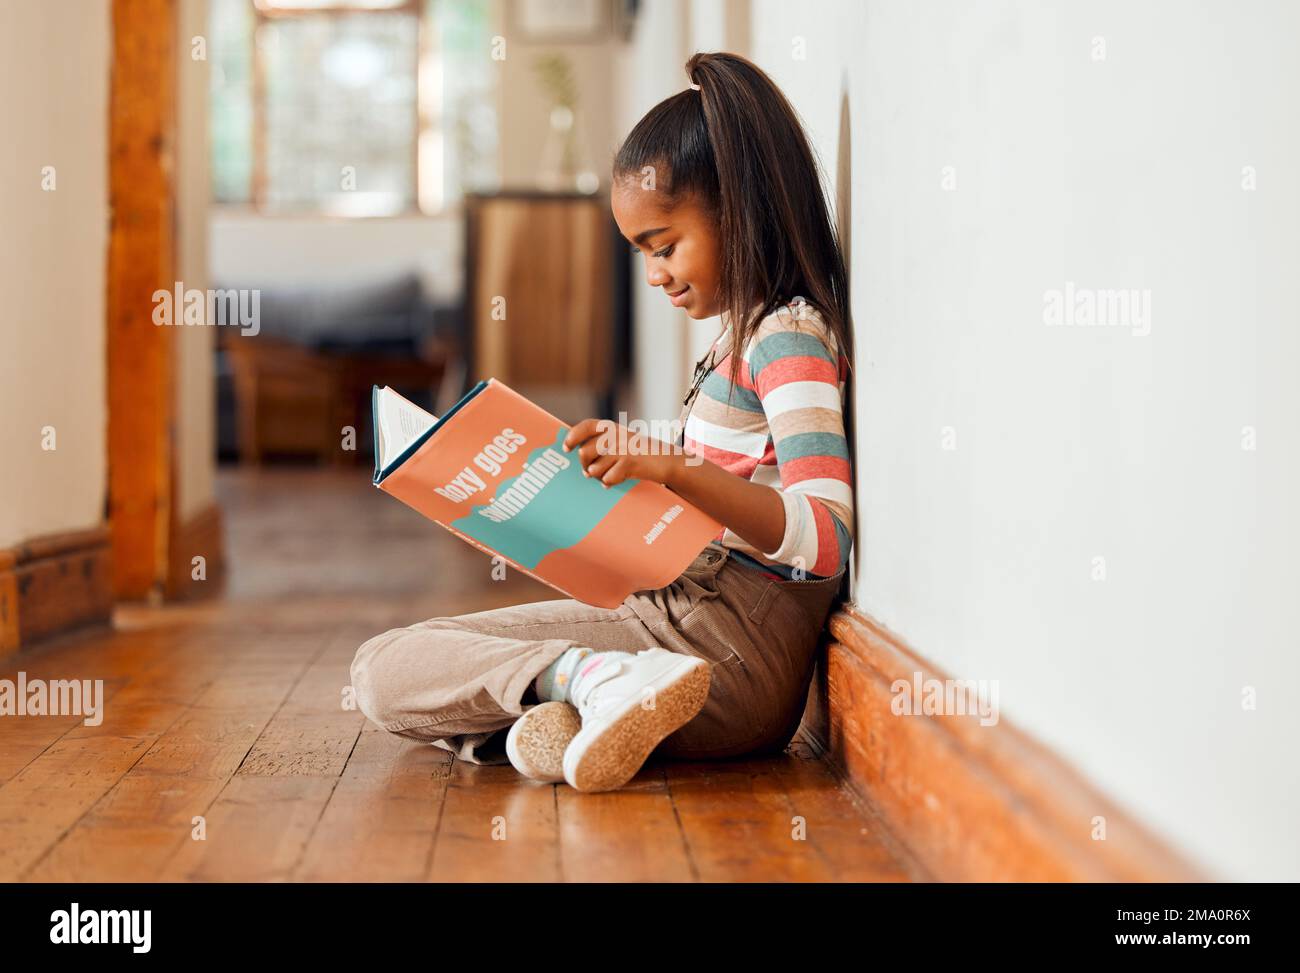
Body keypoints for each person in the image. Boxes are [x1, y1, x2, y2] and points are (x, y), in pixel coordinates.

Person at [350, 51, 856, 793]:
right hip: (679, 620)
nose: (656, 274)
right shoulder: (737, 339)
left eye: (665, 245)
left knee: (383, 669)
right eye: (643, 254)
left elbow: (826, 537)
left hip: (724, 652)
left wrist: (670, 467)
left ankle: (591, 680)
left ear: (739, 208)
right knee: (396, 667)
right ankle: (580, 705)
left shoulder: (785, 336)